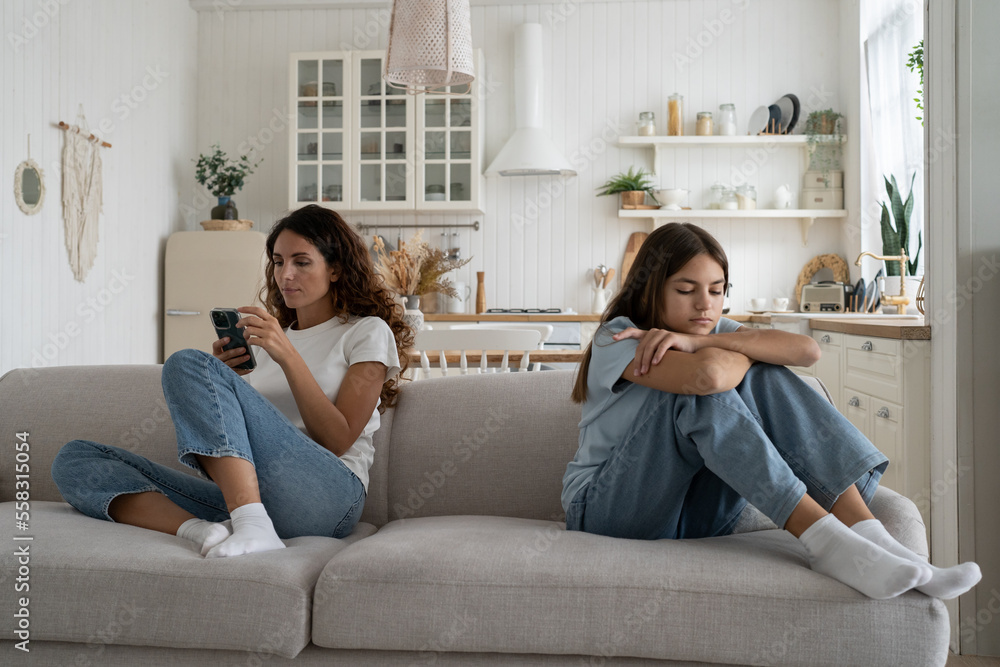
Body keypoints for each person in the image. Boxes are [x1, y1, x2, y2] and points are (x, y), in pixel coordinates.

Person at [563, 222, 980, 600]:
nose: (705, 306)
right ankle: (826, 542)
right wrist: (739, 349)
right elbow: (706, 381)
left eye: (717, 289)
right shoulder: (618, 337)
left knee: (764, 374)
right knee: (697, 392)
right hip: (609, 510)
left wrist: (707, 343)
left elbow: (807, 350)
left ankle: (874, 538)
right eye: (686, 290)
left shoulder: (708, 330)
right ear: (650, 289)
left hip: (696, 517)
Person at [52, 205, 412, 558]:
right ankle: (204, 530)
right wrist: (225, 385)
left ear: (335, 269)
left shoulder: (366, 332)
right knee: (74, 460)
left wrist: (288, 355)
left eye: (302, 262)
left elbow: (338, 439)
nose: (285, 275)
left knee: (187, 362)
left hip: (329, 498)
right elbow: (244, 443)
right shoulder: (268, 342)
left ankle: (252, 523)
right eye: (278, 261)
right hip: (254, 500)